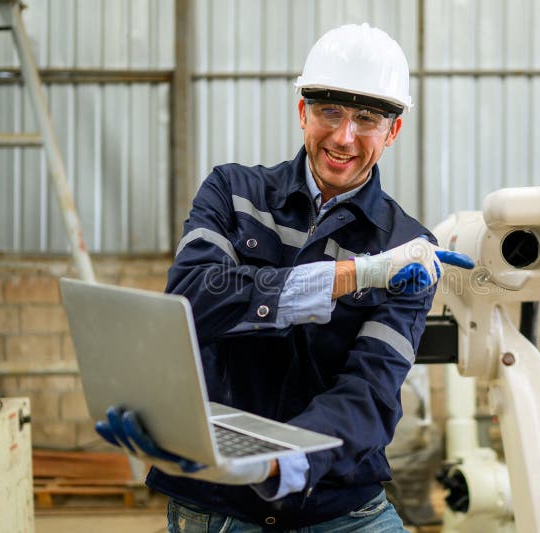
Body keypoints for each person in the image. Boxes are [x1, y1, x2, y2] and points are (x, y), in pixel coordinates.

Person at [97, 23, 474, 532]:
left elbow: (370, 392)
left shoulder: (407, 250)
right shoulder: (233, 192)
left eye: (367, 119)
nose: (344, 137)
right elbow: (192, 301)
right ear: (303, 112)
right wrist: (353, 275)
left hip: (338, 509)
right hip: (217, 506)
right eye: (330, 112)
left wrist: (279, 461)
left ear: (393, 131)